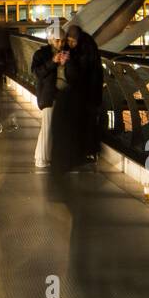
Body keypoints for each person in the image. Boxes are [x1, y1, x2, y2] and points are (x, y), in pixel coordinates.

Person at [47, 23, 103, 190]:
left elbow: (79, 76)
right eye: (68, 41)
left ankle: (79, 156)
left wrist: (68, 63)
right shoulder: (83, 48)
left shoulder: (85, 51)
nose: (70, 44)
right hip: (83, 96)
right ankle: (80, 156)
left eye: (72, 41)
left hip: (85, 96)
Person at [30, 32, 66, 169]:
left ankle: (45, 156)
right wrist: (53, 62)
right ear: (50, 40)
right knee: (48, 126)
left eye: (62, 41)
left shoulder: (66, 52)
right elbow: (36, 73)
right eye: (57, 40)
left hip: (61, 94)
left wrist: (65, 64)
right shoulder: (41, 54)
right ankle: (42, 159)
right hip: (48, 95)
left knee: (52, 126)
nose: (60, 43)